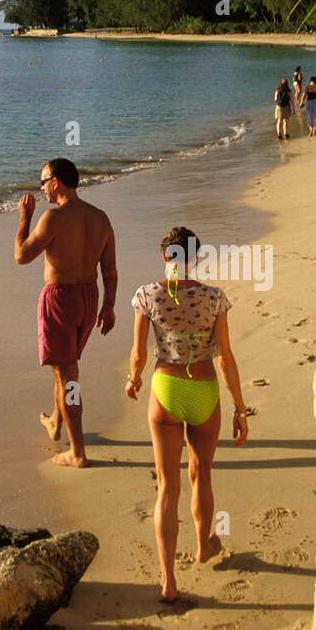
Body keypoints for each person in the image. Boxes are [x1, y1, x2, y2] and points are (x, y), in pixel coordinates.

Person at [127, 226, 248, 603]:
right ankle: (202, 546)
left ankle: (168, 581)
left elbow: (138, 354)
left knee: (167, 487)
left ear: (165, 257)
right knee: (202, 474)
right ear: (196, 257)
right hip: (204, 389)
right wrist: (240, 409)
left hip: (166, 388)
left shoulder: (147, 295)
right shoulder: (215, 298)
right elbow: (225, 356)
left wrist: (133, 380)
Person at [15, 158, 117, 469]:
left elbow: (21, 256)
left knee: (68, 376)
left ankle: (77, 452)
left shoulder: (52, 217)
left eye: (43, 181)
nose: (42, 187)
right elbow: (109, 270)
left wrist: (25, 218)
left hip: (60, 300)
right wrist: (109, 305)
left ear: (56, 182)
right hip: (89, 298)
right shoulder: (100, 218)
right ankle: (56, 423)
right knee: (64, 367)